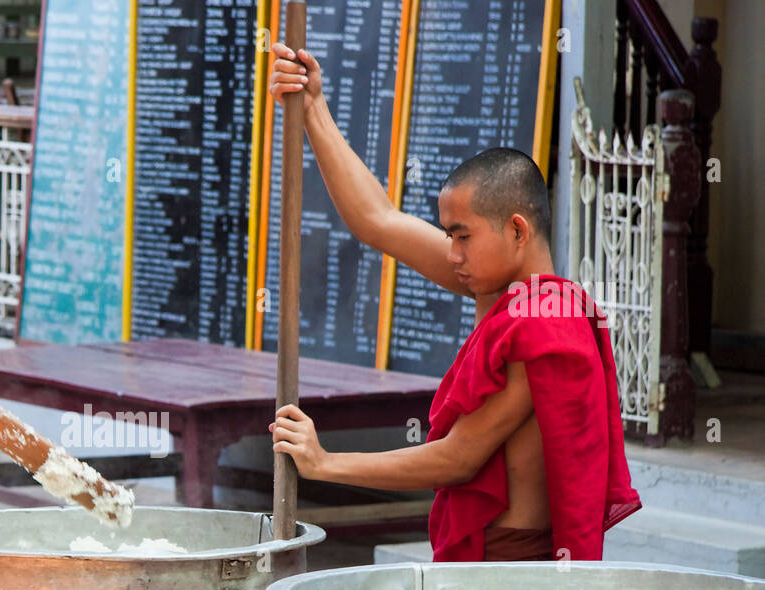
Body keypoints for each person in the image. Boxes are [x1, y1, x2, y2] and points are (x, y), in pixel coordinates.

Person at [266, 43, 641, 562]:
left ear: (517, 230)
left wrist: (325, 463)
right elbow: (377, 220)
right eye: (449, 235)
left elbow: (460, 458)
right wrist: (314, 107)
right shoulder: (499, 287)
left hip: (514, 571)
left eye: (462, 236)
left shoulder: (546, 323)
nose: (452, 252)